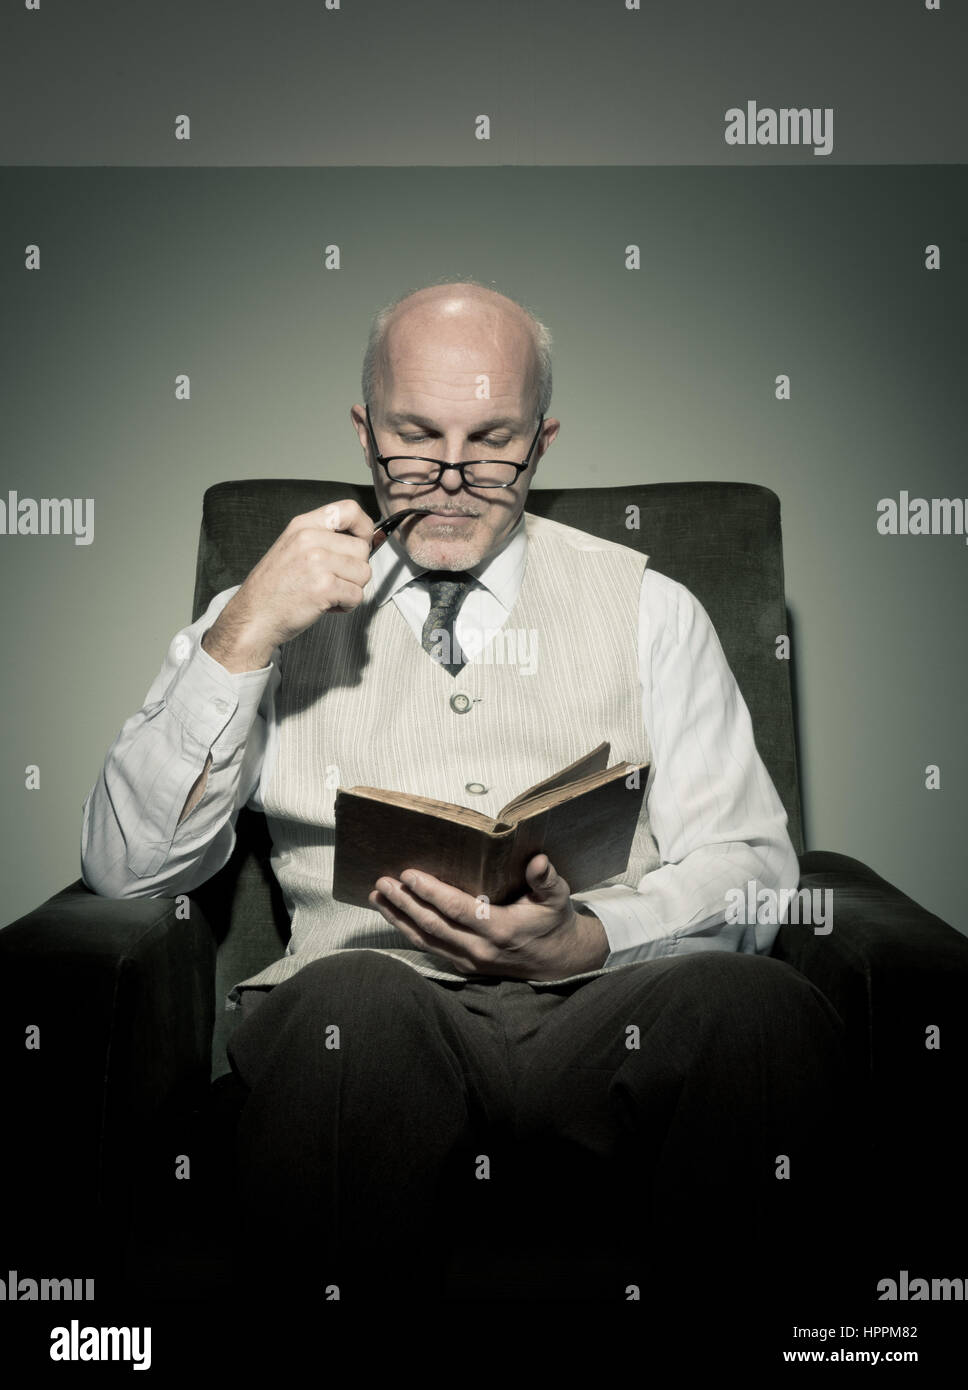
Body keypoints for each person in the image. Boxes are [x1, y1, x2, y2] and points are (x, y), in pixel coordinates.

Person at [80, 279, 852, 1304]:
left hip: (605, 1008)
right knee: (349, 1010)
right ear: (363, 430)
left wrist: (593, 939)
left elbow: (750, 864)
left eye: (491, 439)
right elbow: (128, 871)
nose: (448, 475)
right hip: (369, 1012)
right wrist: (243, 638)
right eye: (414, 434)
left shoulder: (653, 608)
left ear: (541, 441)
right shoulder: (256, 612)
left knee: (760, 1009)